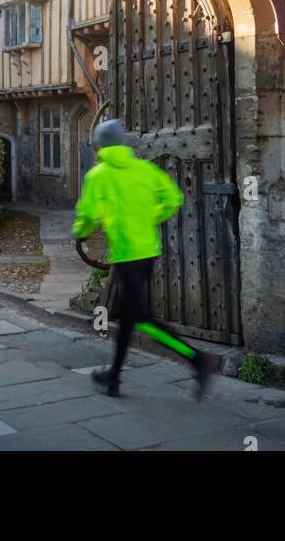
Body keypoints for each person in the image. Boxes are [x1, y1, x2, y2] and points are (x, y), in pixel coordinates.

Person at [72, 118, 210, 399]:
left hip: (127, 255)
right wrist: (150, 218)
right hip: (148, 252)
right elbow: (173, 198)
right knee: (126, 317)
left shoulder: (98, 175)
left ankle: (197, 358)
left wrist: (80, 233)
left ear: (99, 145)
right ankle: (113, 377)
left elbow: (87, 216)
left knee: (141, 319)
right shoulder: (145, 169)